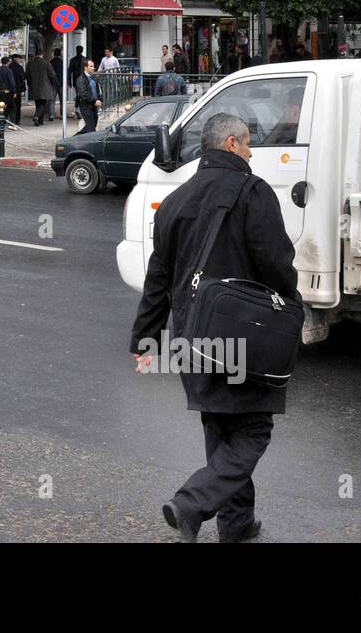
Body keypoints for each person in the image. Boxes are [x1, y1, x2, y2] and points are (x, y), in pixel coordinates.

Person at [130, 112, 300, 543]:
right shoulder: (253, 192)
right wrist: (290, 308)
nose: (251, 154)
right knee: (253, 429)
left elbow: (158, 278)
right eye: (248, 145)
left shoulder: (174, 201)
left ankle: (236, 523)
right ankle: (191, 504)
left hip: (192, 337)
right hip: (244, 335)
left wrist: (145, 338)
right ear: (230, 144)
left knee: (222, 426)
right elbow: (277, 264)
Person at [26, 50, 55, 126]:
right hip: (44, 86)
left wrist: (30, 85)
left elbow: (27, 76)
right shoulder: (46, 63)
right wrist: (53, 84)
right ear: (42, 54)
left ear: (35, 55)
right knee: (43, 103)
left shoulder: (30, 64)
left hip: (34, 86)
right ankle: (36, 117)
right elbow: (52, 75)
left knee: (38, 103)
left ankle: (40, 121)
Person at [73, 59, 102, 133]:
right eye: (91, 66)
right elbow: (83, 94)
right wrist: (94, 101)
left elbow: (98, 90)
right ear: (85, 67)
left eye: (93, 66)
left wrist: (99, 99)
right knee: (91, 129)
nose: (93, 68)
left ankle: (76, 138)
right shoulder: (81, 79)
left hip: (94, 106)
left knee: (91, 126)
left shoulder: (94, 77)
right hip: (85, 107)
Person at [0, 56, 17, 123]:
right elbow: (12, 82)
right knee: (12, 107)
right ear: (8, 62)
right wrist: (14, 92)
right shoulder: (9, 70)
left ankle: (1, 121)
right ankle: (12, 123)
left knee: (0, 107)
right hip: (7, 92)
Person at [9, 54, 27, 124]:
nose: (20, 60)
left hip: (10, 89)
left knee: (11, 105)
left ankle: (11, 119)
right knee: (17, 105)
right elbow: (23, 77)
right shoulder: (19, 67)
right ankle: (16, 120)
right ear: (15, 59)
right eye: (19, 59)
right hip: (18, 88)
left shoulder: (9, 67)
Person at [49, 48, 65, 119]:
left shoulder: (51, 62)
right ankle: (62, 115)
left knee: (52, 100)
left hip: (53, 83)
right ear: (60, 53)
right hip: (61, 83)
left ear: (54, 53)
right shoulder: (63, 62)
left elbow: (49, 73)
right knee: (62, 100)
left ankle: (51, 115)